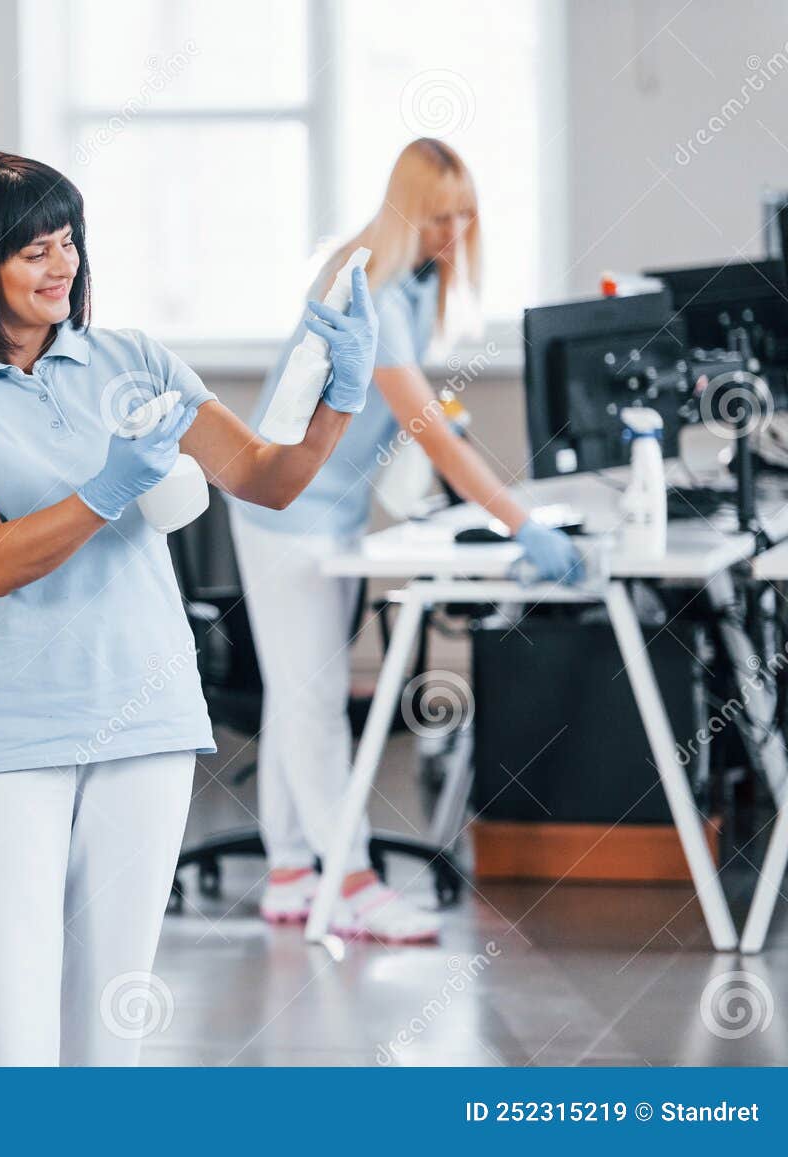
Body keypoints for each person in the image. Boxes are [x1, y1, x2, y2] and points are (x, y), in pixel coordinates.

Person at [0, 152, 378, 1065]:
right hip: (5, 729)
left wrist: (341, 396)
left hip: (142, 715)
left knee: (113, 1017)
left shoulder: (133, 359)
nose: (62, 265)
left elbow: (268, 480)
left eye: (68, 242)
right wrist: (108, 489)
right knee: (2, 1020)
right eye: (34, 251)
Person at [230, 138, 583, 945]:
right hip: (284, 512)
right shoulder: (372, 293)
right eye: (439, 217)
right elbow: (433, 435)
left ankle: (289, 869)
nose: (454, 232)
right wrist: (519, 521)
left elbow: (411, 418)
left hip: (333, 509)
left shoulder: (419, 287)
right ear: (404, 212)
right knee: (315, 700)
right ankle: (350, 879)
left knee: (299, 694)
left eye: (466, 216)